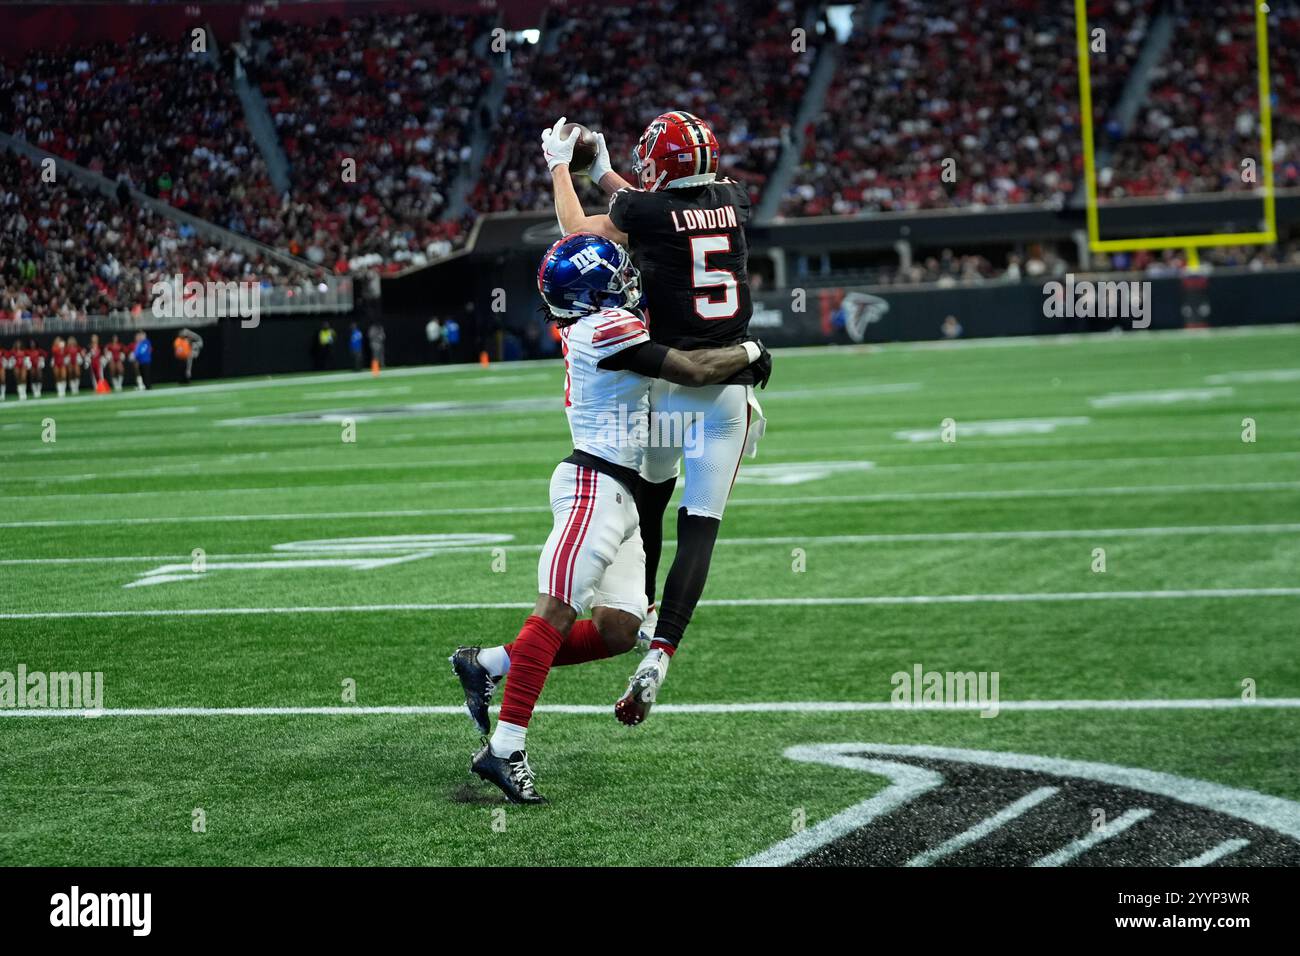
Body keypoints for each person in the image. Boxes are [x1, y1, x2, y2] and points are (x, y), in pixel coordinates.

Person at [450, 233, 770, 804]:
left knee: (619, 628)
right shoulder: (604, 328)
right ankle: (505, 747)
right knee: (554, 609)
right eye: (616, 276)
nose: (627, 281)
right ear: (593, 292)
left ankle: (487, 663)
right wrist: (749, 353)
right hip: (593, 485)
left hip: (622, 495)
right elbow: (694, 370)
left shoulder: (595, 322)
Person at [544, 111, 766, 725]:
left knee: (650, 500)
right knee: (704, 527)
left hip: (668, 384)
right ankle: (662, 651)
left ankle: (636, 606)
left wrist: (561, 165)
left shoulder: (647, 212)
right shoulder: (734, 199)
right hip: (727, 390)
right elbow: (663, 210)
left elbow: (577, 231)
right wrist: (609, 173)